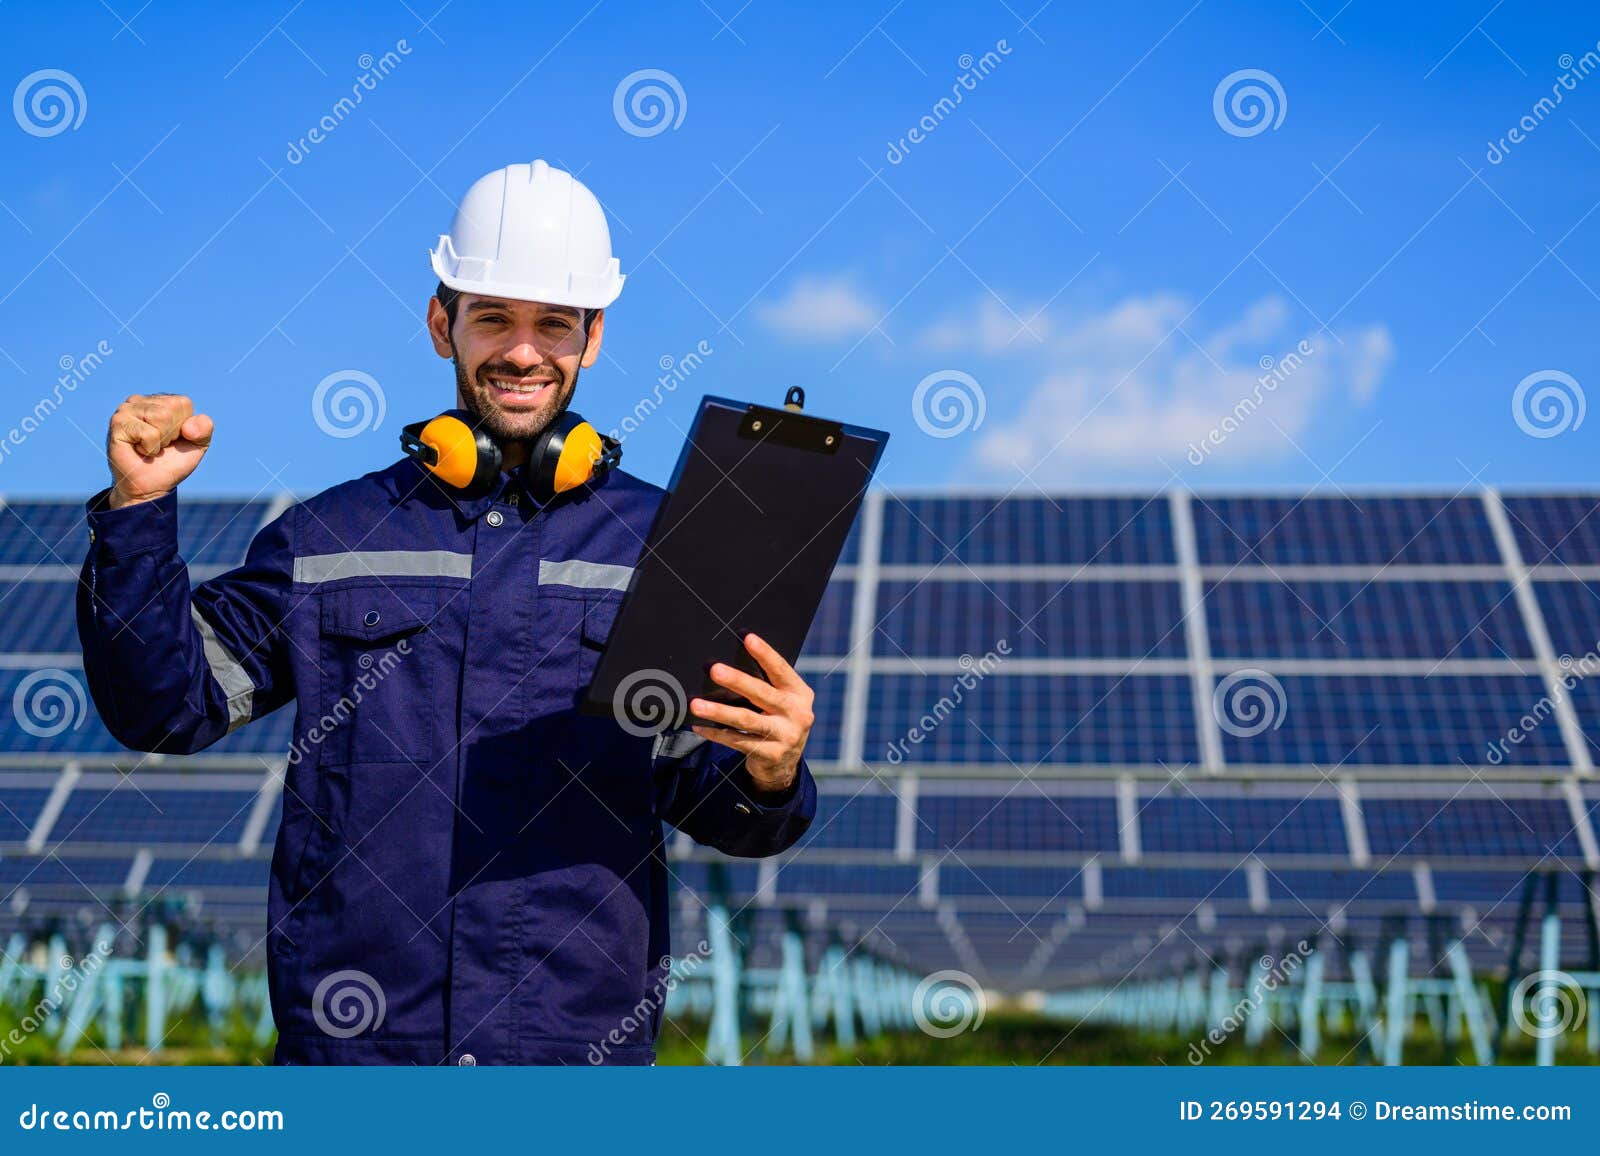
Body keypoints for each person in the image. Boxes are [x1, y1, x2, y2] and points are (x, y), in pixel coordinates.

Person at [76, 160, 818, 1065]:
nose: (521, 350)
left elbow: (729, 815)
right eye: (492, 316)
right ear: (442, 324)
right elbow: (163, 705)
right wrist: (137, 517)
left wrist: (772, 769)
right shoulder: (332, 536)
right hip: (356, 1058)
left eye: (554, 324)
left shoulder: (663, 549)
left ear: (592, 340)